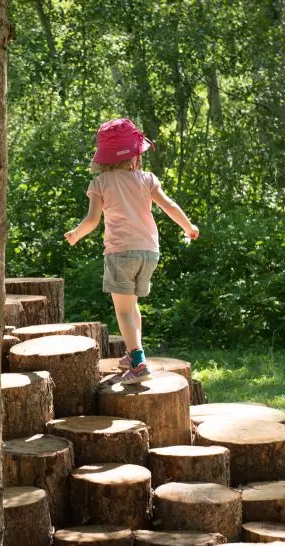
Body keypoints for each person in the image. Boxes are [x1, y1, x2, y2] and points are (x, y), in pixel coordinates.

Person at [65, 118, 199, 384]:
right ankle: (133, 352)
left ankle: (138, 363)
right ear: (135, 156)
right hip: (149, 252)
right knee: (133, 306)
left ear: (103, 158)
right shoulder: (147, 179)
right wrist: (189, 226)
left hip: (120, 253)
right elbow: (169, 205)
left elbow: (92, 221)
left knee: (123, 310)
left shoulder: (100, 183)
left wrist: (75, 234)